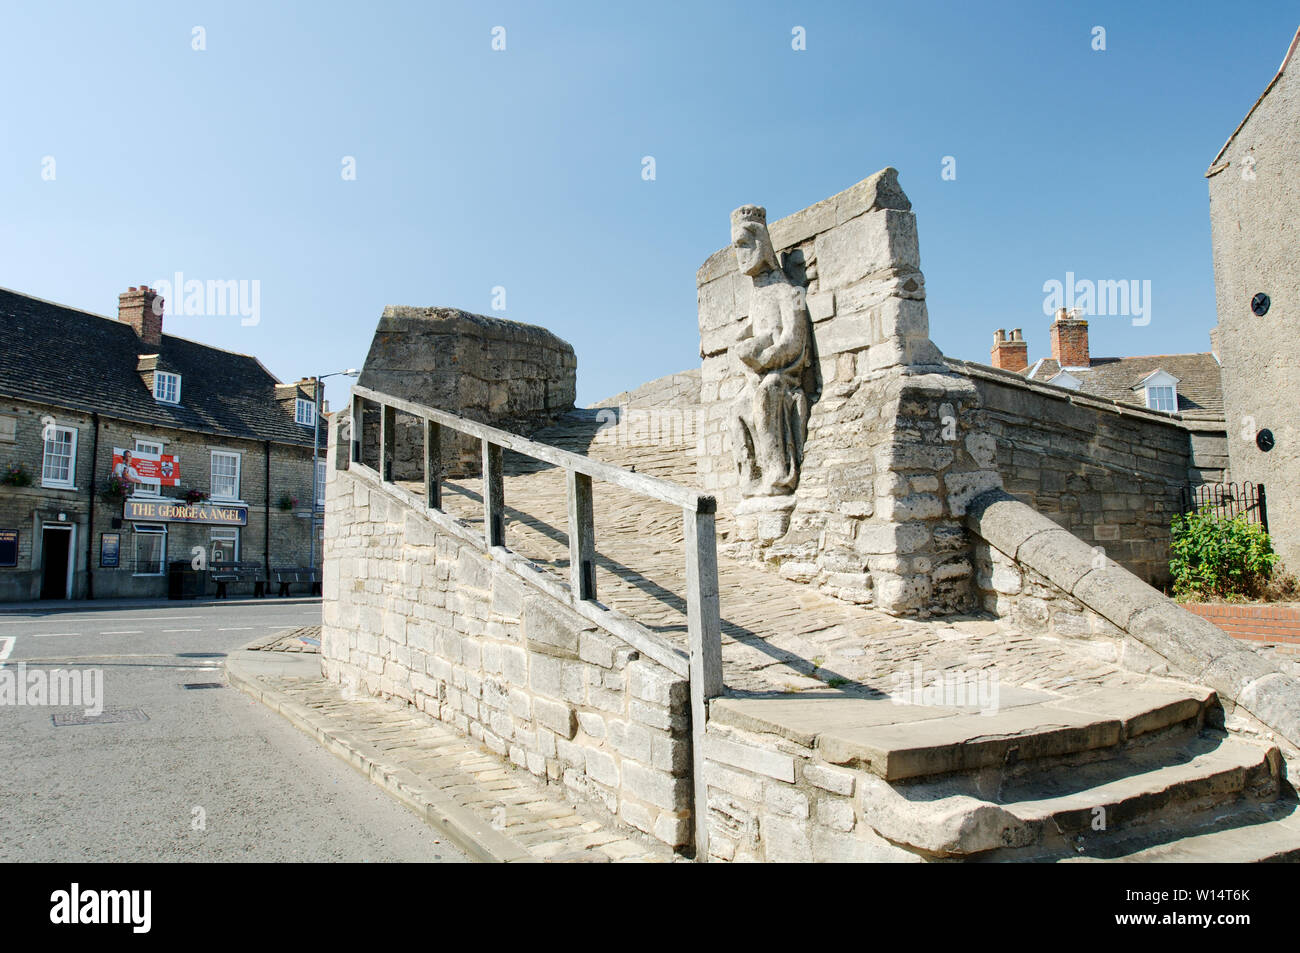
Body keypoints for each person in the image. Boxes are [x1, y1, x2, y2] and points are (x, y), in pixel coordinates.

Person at [729, 204, 813, 497]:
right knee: (737, 406)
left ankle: (777, 470)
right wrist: (744, 347)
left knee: (767, 393)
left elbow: (794, 340)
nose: (740, 253)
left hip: (784, 376)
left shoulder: (787, 291)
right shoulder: (757, 297)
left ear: (762, 244)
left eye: (744, 245)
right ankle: (751, 475)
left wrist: (766, 357)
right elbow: (747, 333)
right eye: (736, 247)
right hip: (760, 373)